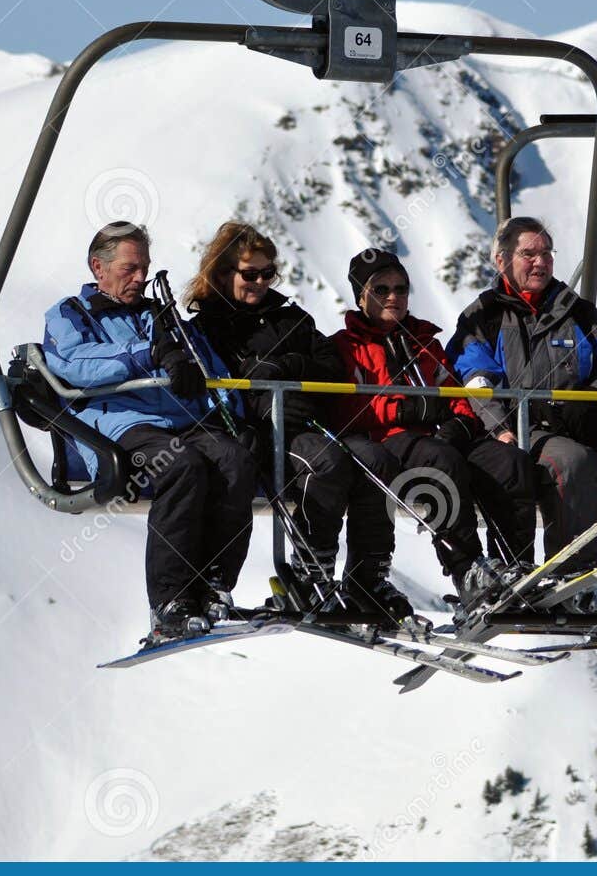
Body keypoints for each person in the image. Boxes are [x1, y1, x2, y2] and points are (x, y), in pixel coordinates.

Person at [447, 216, 597, 624]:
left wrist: (593, 397)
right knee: (571, 462)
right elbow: (476, 379)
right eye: (528, 254)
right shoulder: (484, 317)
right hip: (527, 430)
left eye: (546, 253)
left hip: (585, 425)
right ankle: (575, 580)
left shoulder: (578, 312)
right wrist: (501, 426)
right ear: (502, 260)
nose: (539, 262)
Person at [42, 221, 254, 644]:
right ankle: (170, 601)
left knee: (235, 459)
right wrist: (149, 353)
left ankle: (214, 586)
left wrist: (229, 410)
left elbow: (207, 363)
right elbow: (74, 362)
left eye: (145, 269)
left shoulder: (161, 314)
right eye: (129, 268)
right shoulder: (70, 314)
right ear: (97, 267)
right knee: (181, 467)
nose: (140, 278)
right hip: (119, 427)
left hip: (184, 421)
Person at [184, 222, 405, 622]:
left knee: (377, 459)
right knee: (324, 463)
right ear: (223, 272)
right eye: (249, 274)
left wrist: (286, 370)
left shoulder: (290, 318)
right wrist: (262, 400)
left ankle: (367, 577)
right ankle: (309, 573)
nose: (260, 283)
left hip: (306, 421)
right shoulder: (207, 328)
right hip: (260, 433)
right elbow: (211, 390)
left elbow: (332, 367)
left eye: (267, 273)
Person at [332, 249, 538, 612]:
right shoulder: (347, 347)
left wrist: (460, 421)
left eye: (401, 288)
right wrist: (403, 408)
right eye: (381, 289)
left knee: (510, 462)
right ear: (361, 296)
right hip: (388, 440)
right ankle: (467, 570)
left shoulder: (425, 342)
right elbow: (350, 406)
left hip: (438, 435)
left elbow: (455, 391)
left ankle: (513, 564)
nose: (393, 297)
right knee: (441, 461)